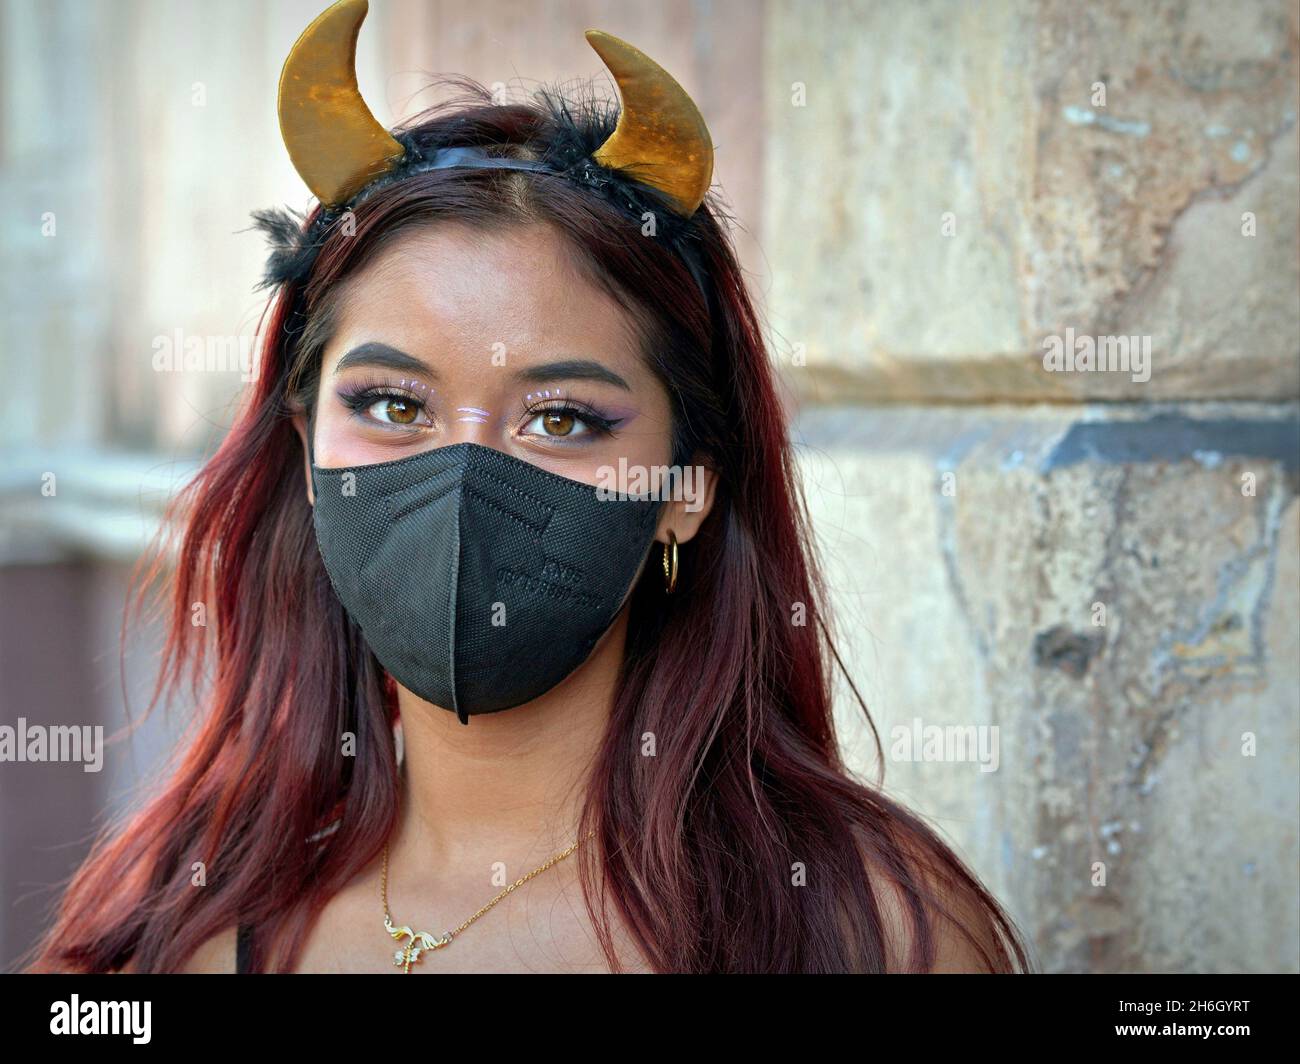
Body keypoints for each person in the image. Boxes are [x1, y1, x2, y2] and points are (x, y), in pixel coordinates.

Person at [25, 0, 1030, 974]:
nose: (463, 476)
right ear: (304, 444)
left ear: (686, 485)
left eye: (558, 418)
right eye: (388, 402)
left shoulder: (875, 934)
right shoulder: (172, 935)